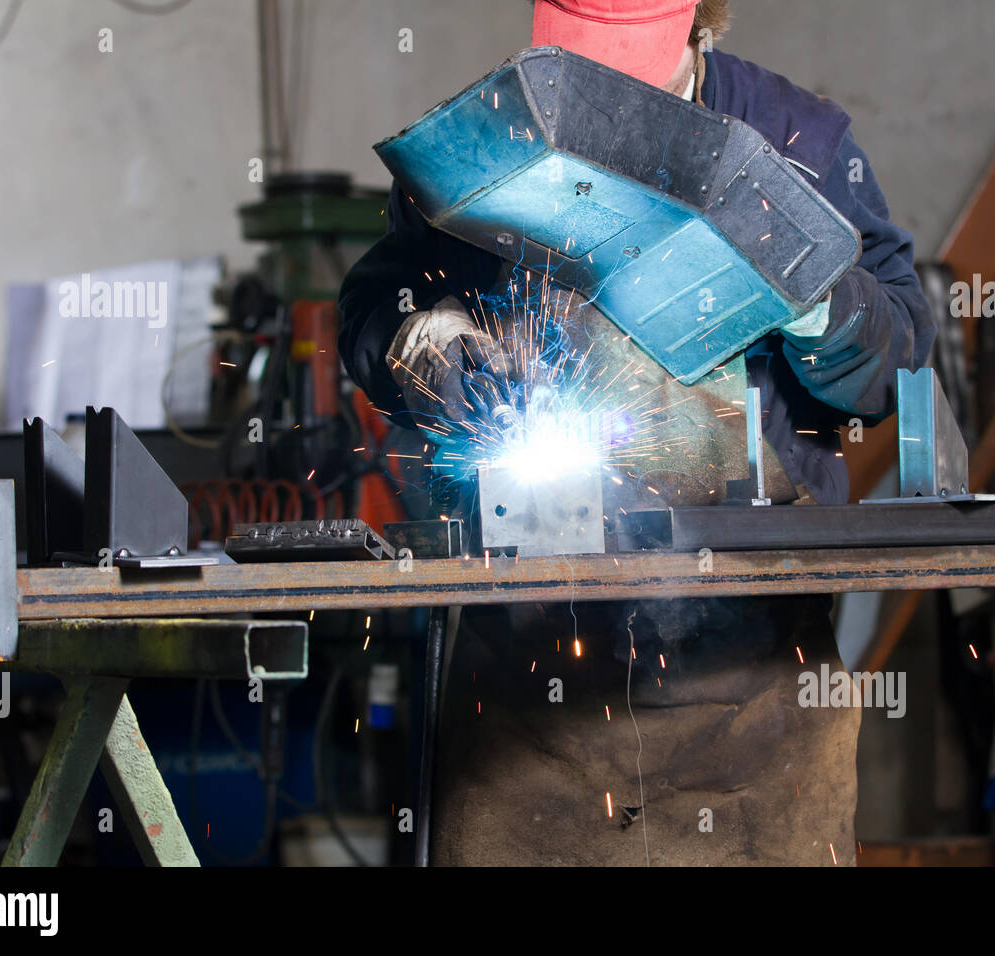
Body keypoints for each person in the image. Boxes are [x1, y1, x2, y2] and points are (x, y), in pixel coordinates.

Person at [338, 0, 935, 865]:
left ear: (703, 25)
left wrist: (817, 296)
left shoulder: (800, 141)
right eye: (583, 66)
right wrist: (423, 339)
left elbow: (898, 362)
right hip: (530, 705)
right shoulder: (494, 134)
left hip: (759, 705)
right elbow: (373, 300)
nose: (603, 101)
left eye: (632, 68)